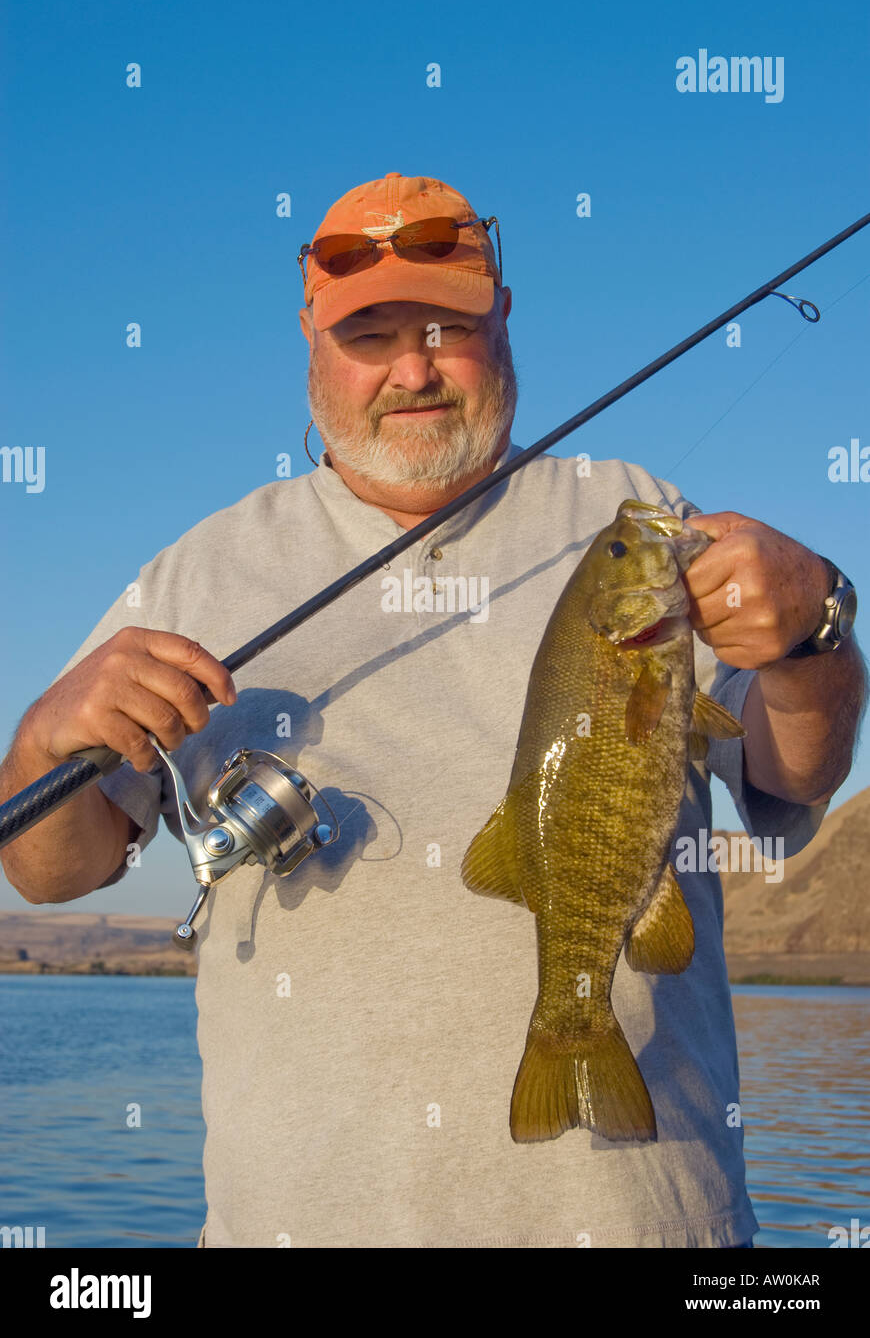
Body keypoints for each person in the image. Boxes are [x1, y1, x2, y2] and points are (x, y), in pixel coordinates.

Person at [1, 172, 865, 1249]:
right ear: (313, 345)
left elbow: (796, 771)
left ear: (503, 324)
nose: (414, 370)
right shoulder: (194, 575)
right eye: (372, 334)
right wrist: (42, 739)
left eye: (447, 327)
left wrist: (816, 630)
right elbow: (53, 870)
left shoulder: (630, 516)